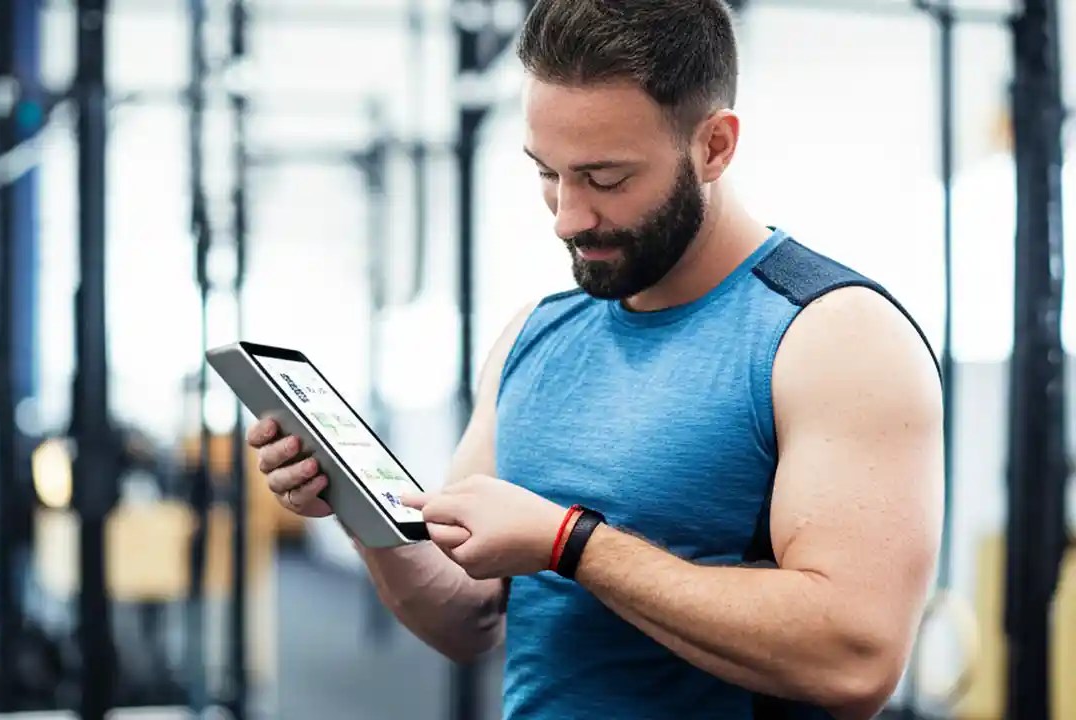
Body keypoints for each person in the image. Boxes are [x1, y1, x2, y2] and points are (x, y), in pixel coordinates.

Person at [248, 1, 944, 718]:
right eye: (548, 172)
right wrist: (361, 511)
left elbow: (855, 660)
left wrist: (570, 543)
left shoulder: (834, 336)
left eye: (605, 179)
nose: (567, 217)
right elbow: (466, 616)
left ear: (714, 146)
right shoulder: (535, 337)